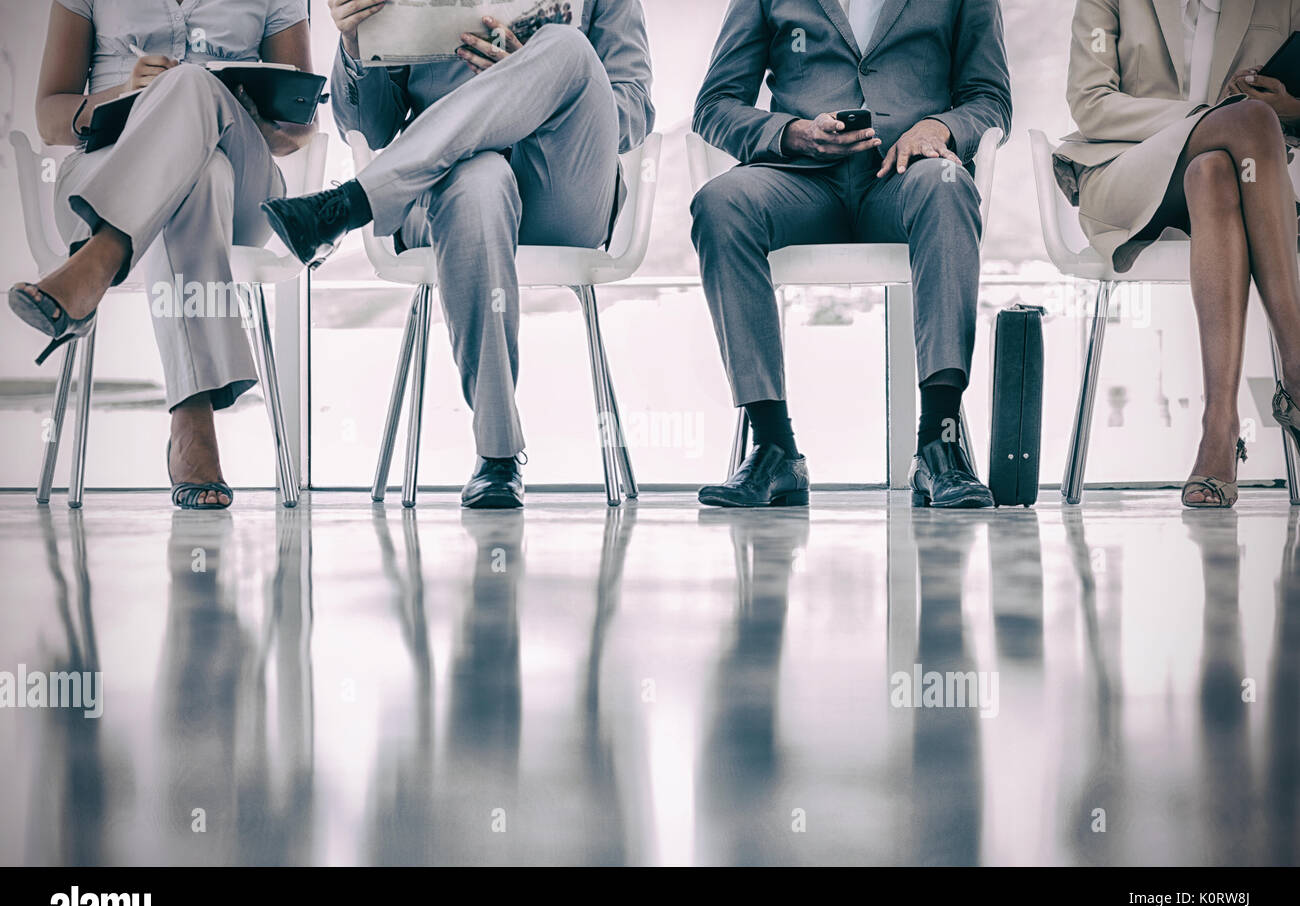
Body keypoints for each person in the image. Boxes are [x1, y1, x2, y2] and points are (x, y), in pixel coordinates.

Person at [262, 0, 654, 510]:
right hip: (450, 189)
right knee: (477, 185)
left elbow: (634, 110)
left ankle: (351, 203)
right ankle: (497, 455)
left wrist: (532, 84)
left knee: (565, 46)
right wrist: (355, 47)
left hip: (563, 184)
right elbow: (371, 128)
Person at [689, 0, 1011, 509]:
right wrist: (791, 134)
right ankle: (773, 448)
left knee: (950, 183)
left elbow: (989, 97)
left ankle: (939, 445)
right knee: (719, 203)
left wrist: (938, 128)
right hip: (800, 181)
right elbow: (715, 105)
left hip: (906, 178)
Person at [8, 0, 316, 510]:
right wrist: (128, 94)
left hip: (245, 181)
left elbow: (301, 122)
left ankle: (101, 256)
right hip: (104, 169)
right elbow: (49, 119)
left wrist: (244, 117)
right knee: (201, 173)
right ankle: (192, 425)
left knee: (195, 89)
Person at [1054, 0, 1300, 508]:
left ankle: (1219, 429)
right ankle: (1298, 373)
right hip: (1126, 167)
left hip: (1244, 179)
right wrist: (1208, 118)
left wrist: (1292, 108)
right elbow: (1092, 103)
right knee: (1245, 120)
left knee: (1210, 172)